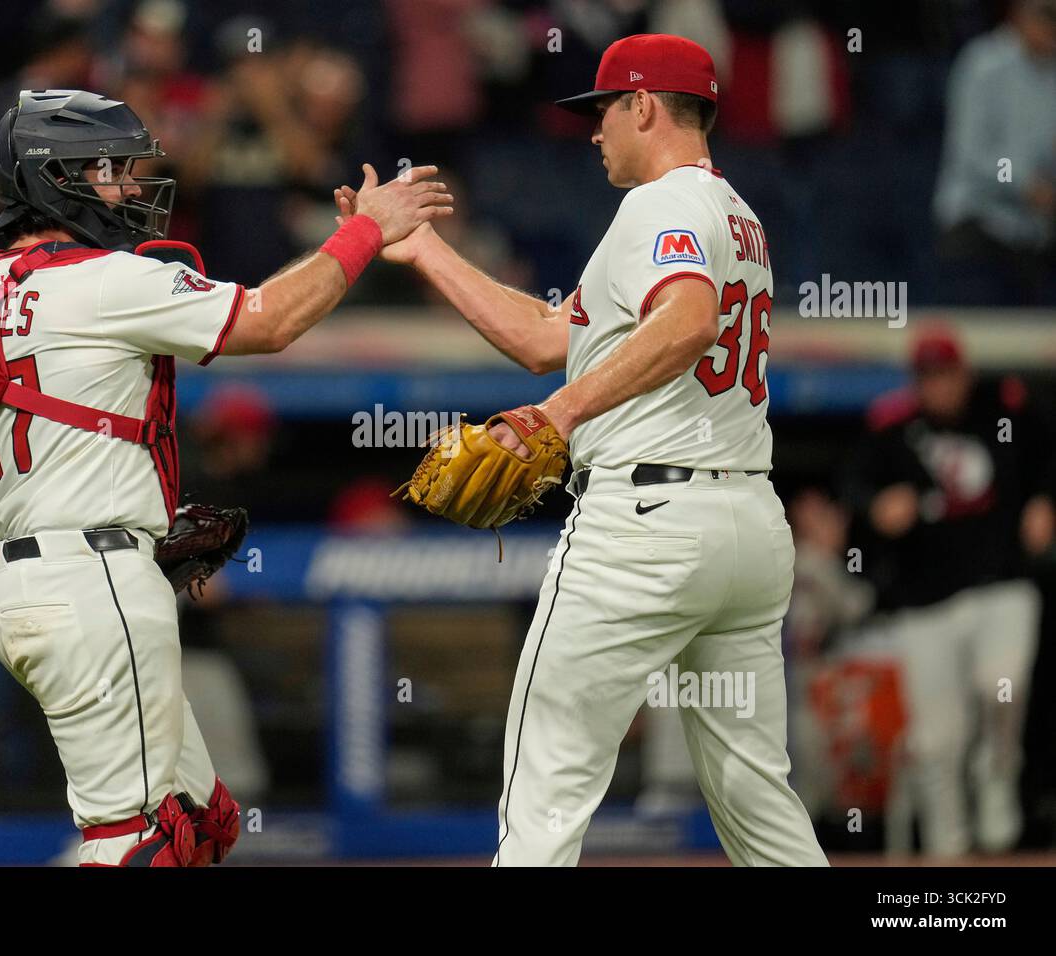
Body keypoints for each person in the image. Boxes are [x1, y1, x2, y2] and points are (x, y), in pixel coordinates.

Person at [0, 89, 450, 866]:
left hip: (23, 586)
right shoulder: (103, 280)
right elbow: (268, 320)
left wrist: (66, 522)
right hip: (93, 586)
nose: (131, 188)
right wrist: (368, 231)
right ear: (51, 177)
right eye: (107, 170)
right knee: (139, 844)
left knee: (198, 823)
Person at [338, 34, 827, 866]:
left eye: (603, 111)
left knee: (546, 788)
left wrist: (555, 417)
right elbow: (541, 338)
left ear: (643, 105)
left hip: (645, 525)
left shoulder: (659, 206)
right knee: (757, 800)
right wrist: (423, 252)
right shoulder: (734, 214)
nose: (594, 132)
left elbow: (686, 320)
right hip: (744, 524)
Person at [844, 323, 1054, 856]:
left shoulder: (1005, 410)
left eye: (946, 374)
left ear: (965, 373)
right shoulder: (892, 428)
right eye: (927, 377)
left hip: (1001, 584)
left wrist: (1043, 501)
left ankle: (998, 776)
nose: (938, 386)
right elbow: (853, 488)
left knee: (1000, 684)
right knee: (937, 737)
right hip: (926, 598)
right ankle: (947, 838)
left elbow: (1046, 458)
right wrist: (876, 509)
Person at [933, 0, 1056, 305]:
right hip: (978, 228)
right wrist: (1025, 185)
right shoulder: (984, 63)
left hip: (1033, 237)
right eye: (1048, 15)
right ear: (1018, 14)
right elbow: (973, 154)